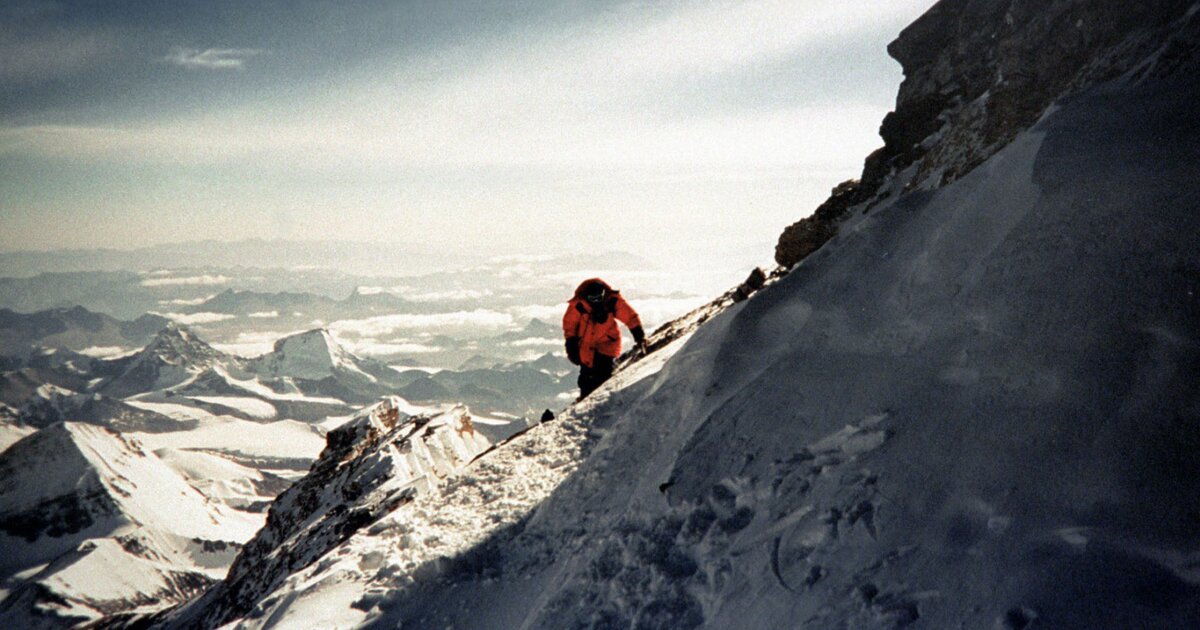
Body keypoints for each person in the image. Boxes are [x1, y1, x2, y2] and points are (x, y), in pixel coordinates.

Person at [562, 278, 646, 399]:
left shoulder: (612, 301)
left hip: (607, 344)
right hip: (585, 346)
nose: (596, 301)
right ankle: (586, 399)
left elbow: (629, 316)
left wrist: (638, 334)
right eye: (593, 299)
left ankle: (600, 400)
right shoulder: (579, 306)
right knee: (586, 376)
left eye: (598, 298)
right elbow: (569, 325)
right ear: (586, 297)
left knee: (602, 373)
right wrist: (571, 344)